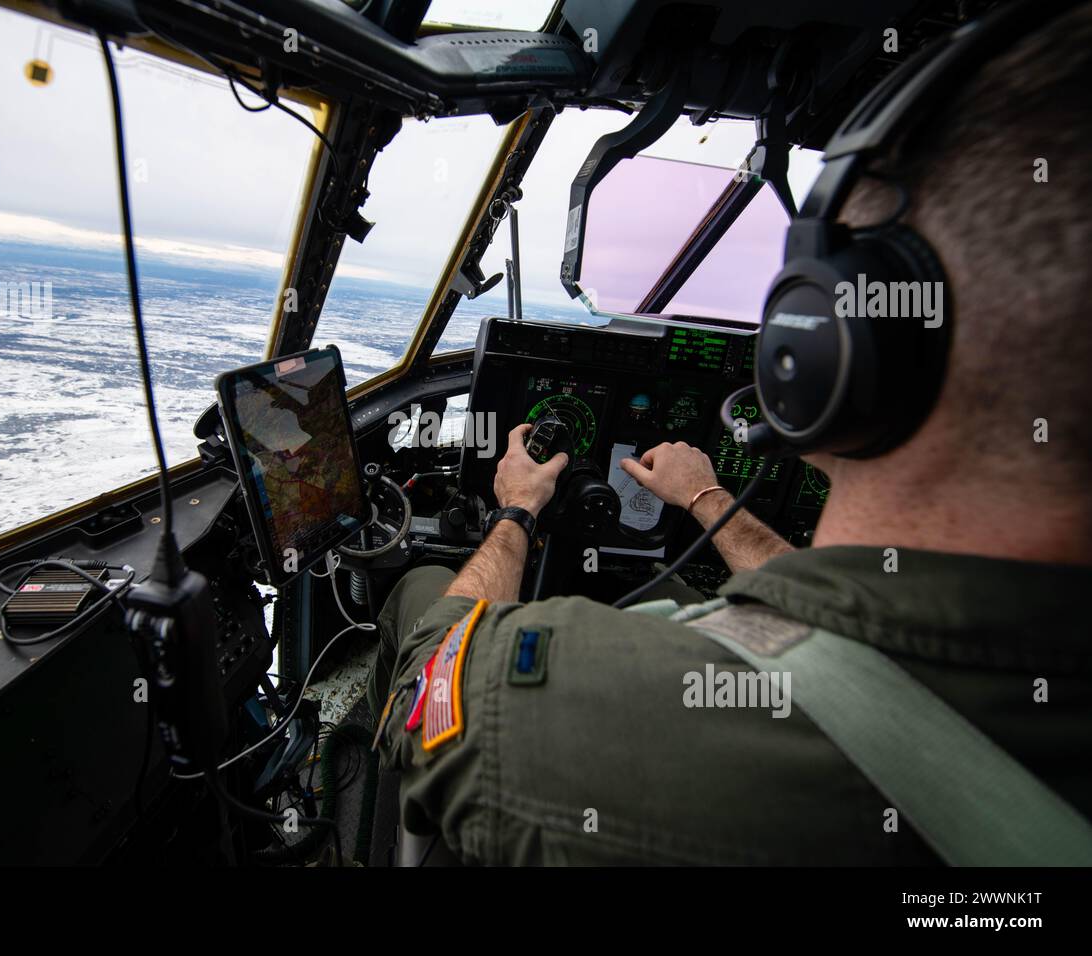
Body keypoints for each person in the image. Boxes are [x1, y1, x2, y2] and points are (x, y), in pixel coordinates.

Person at [365, 2, 1092, 865]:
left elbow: (426, 697)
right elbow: (866, 621)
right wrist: (708, 498)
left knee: (420, 586)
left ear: (827, 350)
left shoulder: (653, 736)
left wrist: (518, 511)